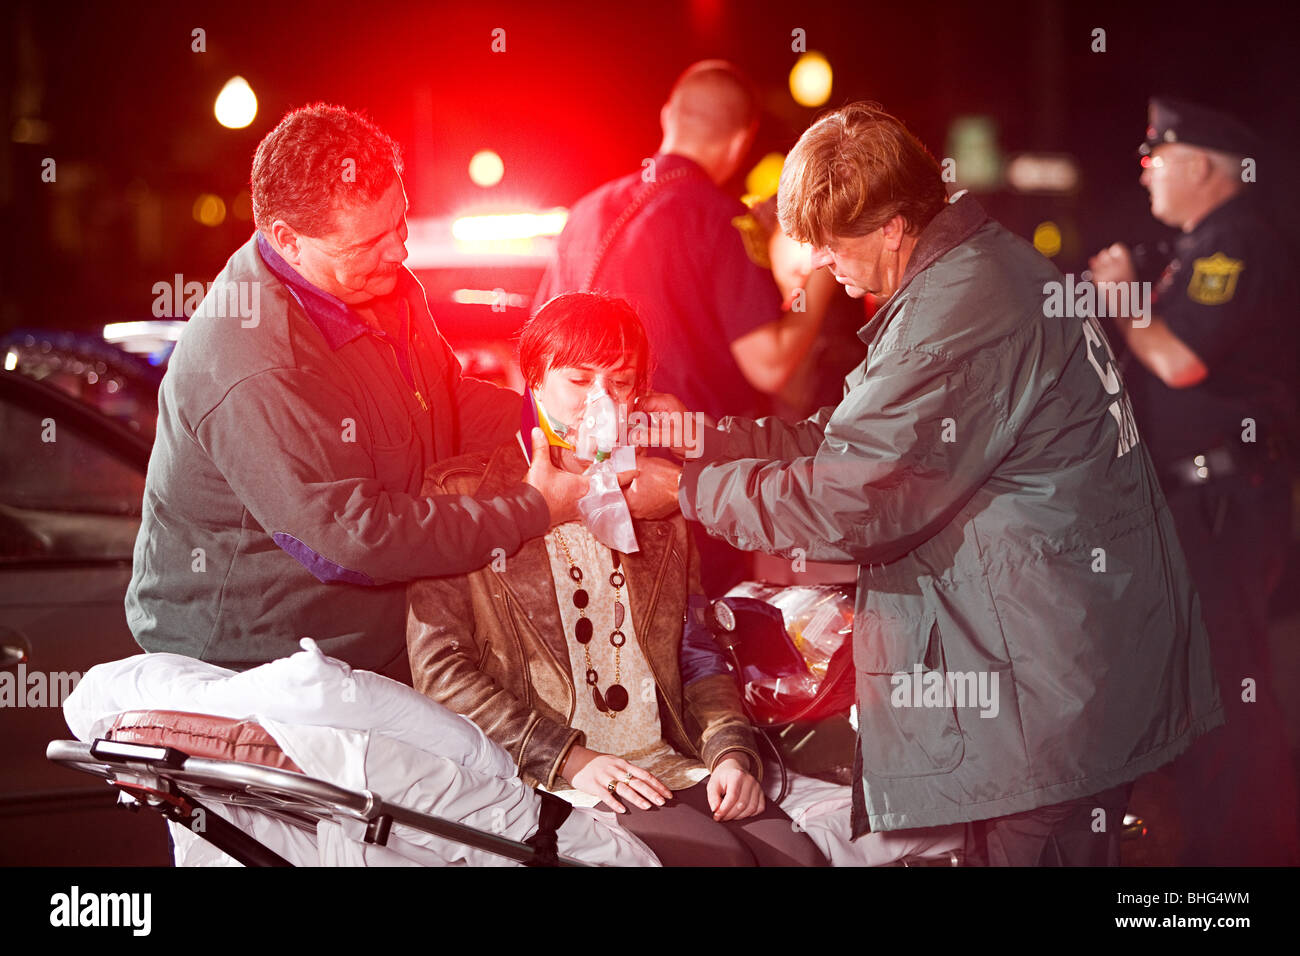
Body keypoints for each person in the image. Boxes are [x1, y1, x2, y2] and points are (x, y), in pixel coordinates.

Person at [647, 102, 1223, 865]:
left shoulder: (962, 304)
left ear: (890, 225)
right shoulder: (971, 272)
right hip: (1051, 678)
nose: (818, 262)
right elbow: (850, 433)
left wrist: (686, 495)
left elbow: (853, 497)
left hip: (1042, 702)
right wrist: (701, 440)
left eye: (829, 243)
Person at [126, 104, 673, 684]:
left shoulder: (381, 285)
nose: (399, 253)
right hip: (263, 663)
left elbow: (444, 400)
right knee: (474, 773)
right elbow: (349, 539)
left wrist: (567, 418)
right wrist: (532, 509)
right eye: (367, 243)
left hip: (374, 646)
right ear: (287, 240)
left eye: (401, 223)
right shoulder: (257, 359)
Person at [406, 292, 828, 867]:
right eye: (578, 380)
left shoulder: (654, 495)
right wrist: (572, 759)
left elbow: (697, 653)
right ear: (534, 380)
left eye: (621, 382)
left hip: (664, 759)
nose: (599, 402)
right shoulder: (465, 497)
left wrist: (732, 752)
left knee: (794, 858)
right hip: (552, 771)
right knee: (717, 858)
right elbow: (441, 669)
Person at [1088, 96, 1299, 865]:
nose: (1145, 176)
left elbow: (1182, 362)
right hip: (1202, 499)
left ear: (1203, 166)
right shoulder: (1206, 243)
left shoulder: (1235, 243)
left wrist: (1123, 302)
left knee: (1230, 702)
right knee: (1207, 698)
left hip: (1224, 501)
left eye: (1157, 160)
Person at [534, 60, 835, 597]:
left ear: (668, 115)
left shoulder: (585, 211)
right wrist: (818, 282)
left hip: (582, 481)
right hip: (679, 488)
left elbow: (539, 353)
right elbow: (770, 363)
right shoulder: (724, 219)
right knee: (703, 653)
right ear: (742, 140)